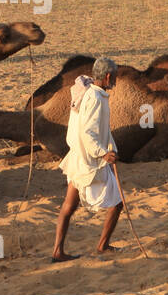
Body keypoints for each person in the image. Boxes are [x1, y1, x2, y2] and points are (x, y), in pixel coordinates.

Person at [52, 58, 123, 262]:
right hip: (89, 160)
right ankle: (102, 245)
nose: (116, 80)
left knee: (69, 205)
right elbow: (87, 132)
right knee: (117, 203)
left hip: (79, 157)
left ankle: (58, 251)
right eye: (115, 76)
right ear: (108, 76)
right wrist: (103, 153)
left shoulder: (88, 93)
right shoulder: (95, 98)